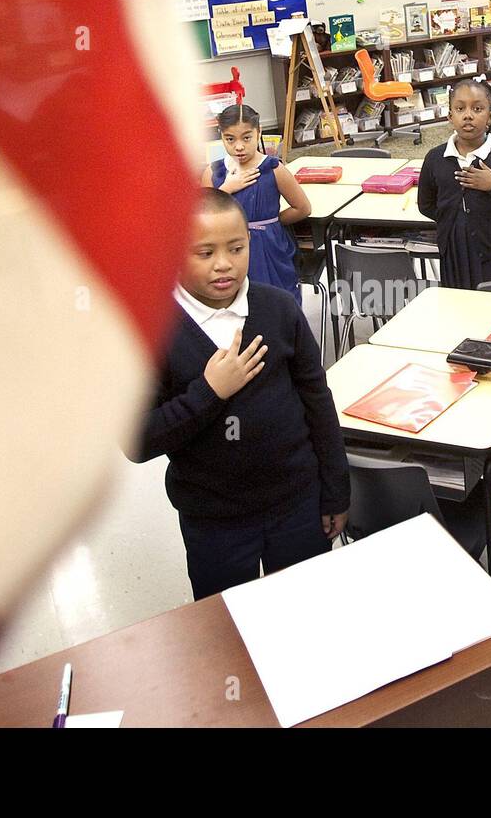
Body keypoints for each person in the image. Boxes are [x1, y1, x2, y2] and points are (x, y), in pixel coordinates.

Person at [128, 189, 350, 600]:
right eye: (204, 252)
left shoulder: (280, 309)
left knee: (310, 608)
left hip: (296, 503)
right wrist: (210, 391)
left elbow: (318, 403)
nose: (224, 264)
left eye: (236, 247)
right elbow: (138, 442)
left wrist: (336, 489)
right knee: (229, 628)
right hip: (215, 520)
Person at [417, 78, 491, 289]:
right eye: (460, 108)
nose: (468, 115)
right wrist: (455, 221)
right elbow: (426, 204)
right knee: (462, 315)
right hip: (455, 257)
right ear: (450, 116)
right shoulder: (435, 158)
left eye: (478, 108)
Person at [199, 103, 310, 302]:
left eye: (247, 137)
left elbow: (302, 208)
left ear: (259, 133)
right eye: (230, 139)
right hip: (228, 250)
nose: (239, 146)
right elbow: (202, 215)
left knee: (276, 302)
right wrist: (226, 189)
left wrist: (272, 222)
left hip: (269, 248)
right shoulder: (214, 172)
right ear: (221, 135)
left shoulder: (273, 169)